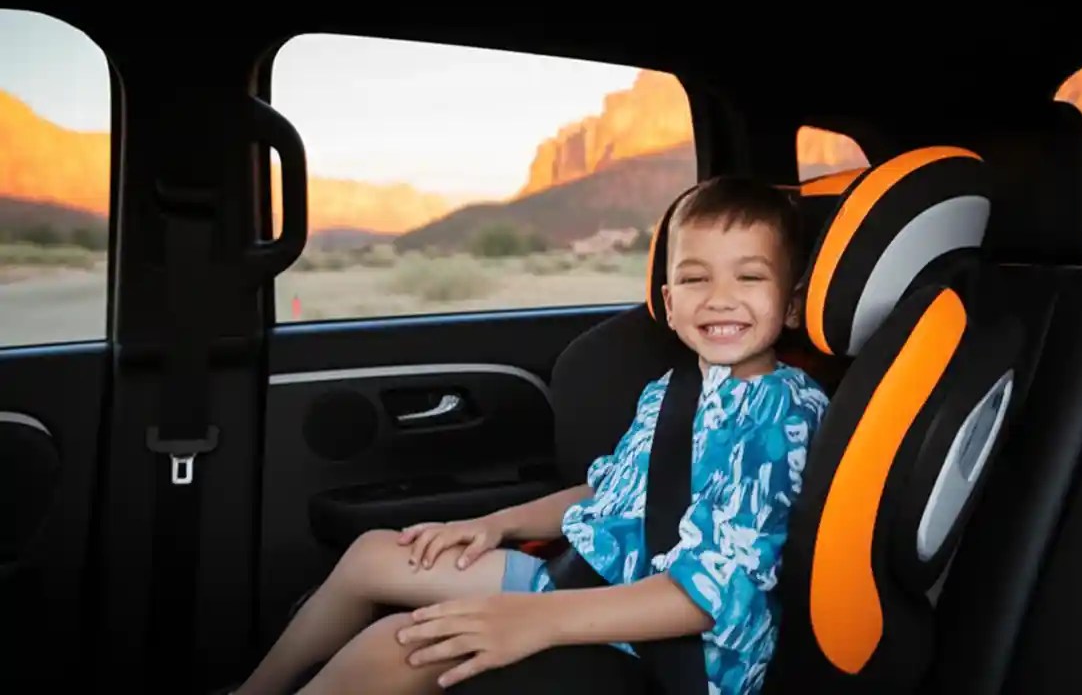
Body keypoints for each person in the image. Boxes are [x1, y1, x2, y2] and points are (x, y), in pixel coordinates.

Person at [229, 176, 830, 695]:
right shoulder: (668, 391)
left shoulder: (782, 416)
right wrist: (498, 524)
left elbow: (706, 596)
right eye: (696, 280)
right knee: (374, 554)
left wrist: (535, 618)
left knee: (406, 642)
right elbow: (610, 494)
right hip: (590, 576)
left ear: (794, 303)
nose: (720, 298)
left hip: (677, 647)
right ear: (669, 304)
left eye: (749, 277)